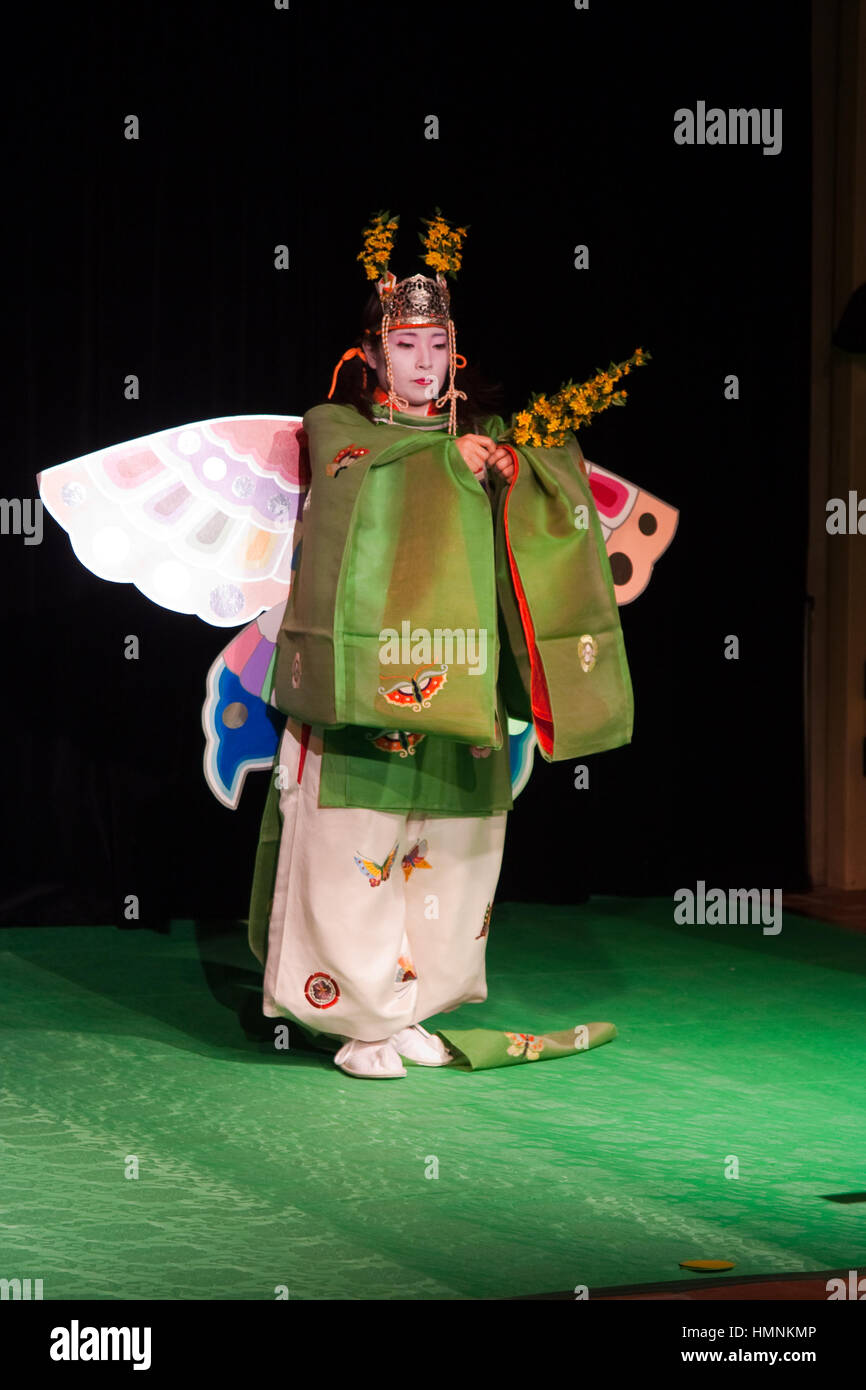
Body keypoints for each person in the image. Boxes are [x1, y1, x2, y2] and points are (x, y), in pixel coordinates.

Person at [249, 211, 635, 1079]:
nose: (424, 363)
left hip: (457, 673)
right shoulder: (337, 429)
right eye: (407, 346)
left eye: (437, 346)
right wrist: (449, 464)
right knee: (359, 846)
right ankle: (359, 1020)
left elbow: (549, 504)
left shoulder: (489, 436)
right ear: (373, 355)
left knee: (452, 851)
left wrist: (516, 472)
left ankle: (416, 1004)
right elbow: (358, 488)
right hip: (364, 686)